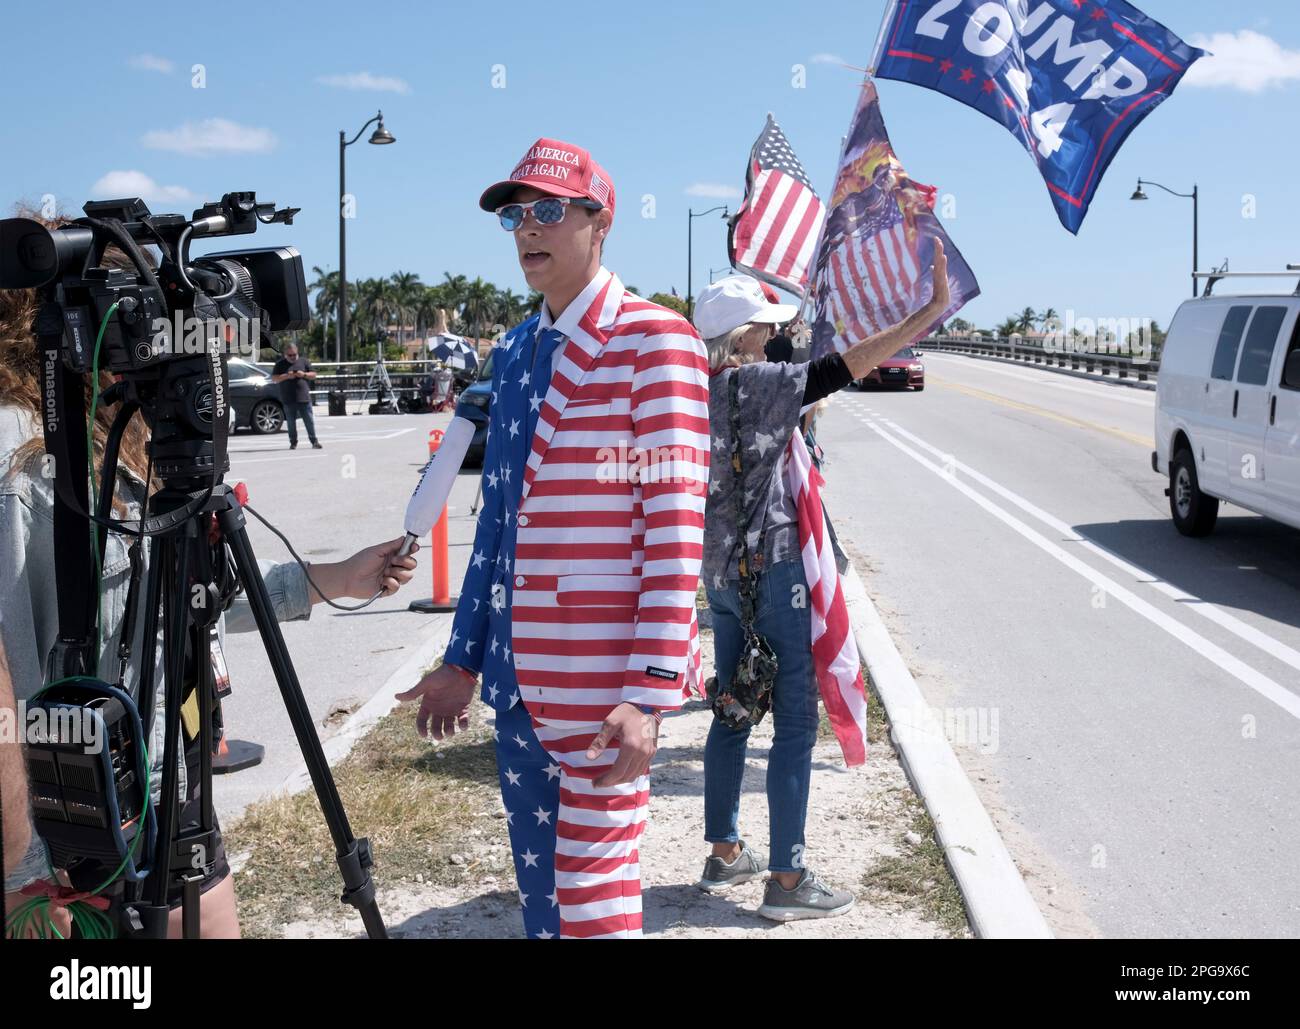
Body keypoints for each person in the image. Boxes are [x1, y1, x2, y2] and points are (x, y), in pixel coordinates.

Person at [0, 228, 419, 938]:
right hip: (77, 835)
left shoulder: (125, 431)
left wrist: (331, 579)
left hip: (176, 796)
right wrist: (18, 871)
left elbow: (187, 600)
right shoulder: (23, 459)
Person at [398, 137, 709, 939]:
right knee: (545, 908)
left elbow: (675, 529)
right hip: (516, 687)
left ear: (599, 221)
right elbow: (496, 521)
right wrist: (464, 657)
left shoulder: (656, 340)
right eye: (514, 215)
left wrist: (649, 689)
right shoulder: (513, 350)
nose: (527, 229)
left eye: (547, 210)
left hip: (604, 686)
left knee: (597, 903)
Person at [691, 243, 949, 921]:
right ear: (742, 338)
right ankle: (786, 878)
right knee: (797, 722)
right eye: (766, 329)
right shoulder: (756, 384)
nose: (776, 337)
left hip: (718, 574)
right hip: (774, 575)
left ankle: (723, 853)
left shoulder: (693, 391)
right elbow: (843, 367)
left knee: (732, 706)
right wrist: (925, 313)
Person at [271, 343, 320, 450]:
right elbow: (274, 378)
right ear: (285, 355)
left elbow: (314, 375)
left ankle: (314, 441)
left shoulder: (304, 361)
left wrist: (304, 374)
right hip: (288, 398)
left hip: (304, 397)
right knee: (291, 423)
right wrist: (287, 376)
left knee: (309, 421)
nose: (293, 357)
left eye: (294, 354)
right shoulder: (280, 364)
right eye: (290, 355)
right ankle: (293, 442)